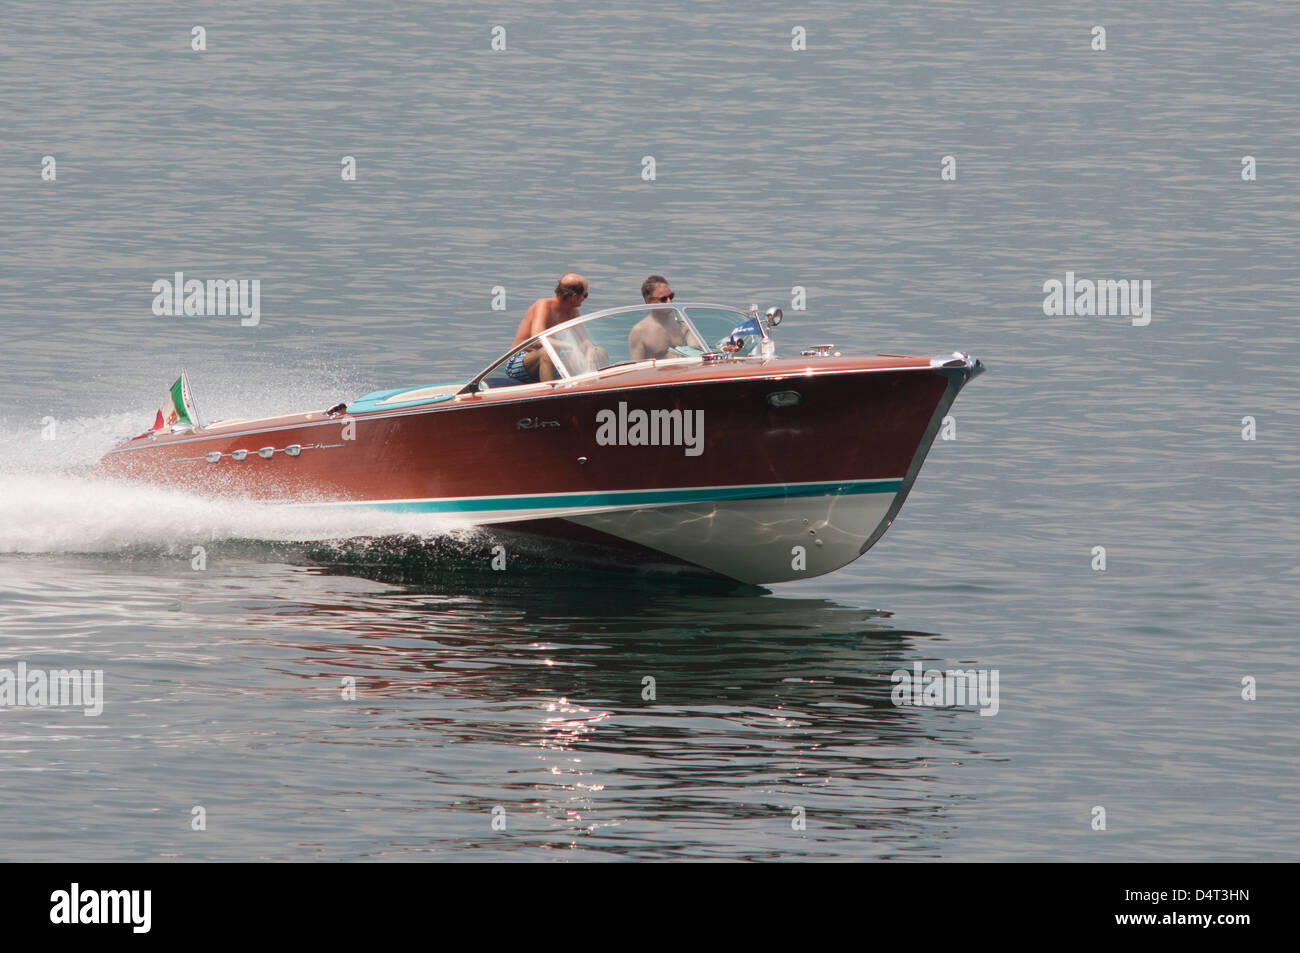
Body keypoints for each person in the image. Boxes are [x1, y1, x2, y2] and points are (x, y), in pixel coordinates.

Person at [503, 273, 605, 383]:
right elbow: (537, 340)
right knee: (547, 353)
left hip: (556, 357)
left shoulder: (573, 311)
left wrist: (590, 351)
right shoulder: (543, 305)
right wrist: (570, 346)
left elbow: (585, 340)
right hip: (521, 362)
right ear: (574, 296)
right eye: (585, 295)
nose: (585, 299)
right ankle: (550, 394)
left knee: (599, 352)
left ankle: (598, 388)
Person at [628, 274, 695, 361]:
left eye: (671, 297)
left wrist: (687, 327)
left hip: (683, 371)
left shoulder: (681, 322)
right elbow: (636, 368)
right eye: (663, 299)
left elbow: (697, 352)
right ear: (649, 302)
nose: (669, 302)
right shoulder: (639, 331)